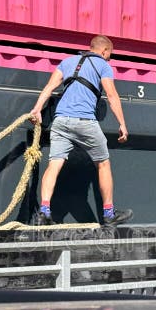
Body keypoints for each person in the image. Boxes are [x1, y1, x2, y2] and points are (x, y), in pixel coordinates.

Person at [28, 35, 132, 226]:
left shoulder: (67, 62)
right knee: (103, 164)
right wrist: (122, 123)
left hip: (60, 121)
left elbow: (50, 87)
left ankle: (44, 212)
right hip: (85, 121)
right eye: (110, 55)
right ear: (104, 51)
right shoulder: (103, 65)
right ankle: (109, 214)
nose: (109, 59)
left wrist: (37, 109)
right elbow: (112, 95)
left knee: (54, 164)